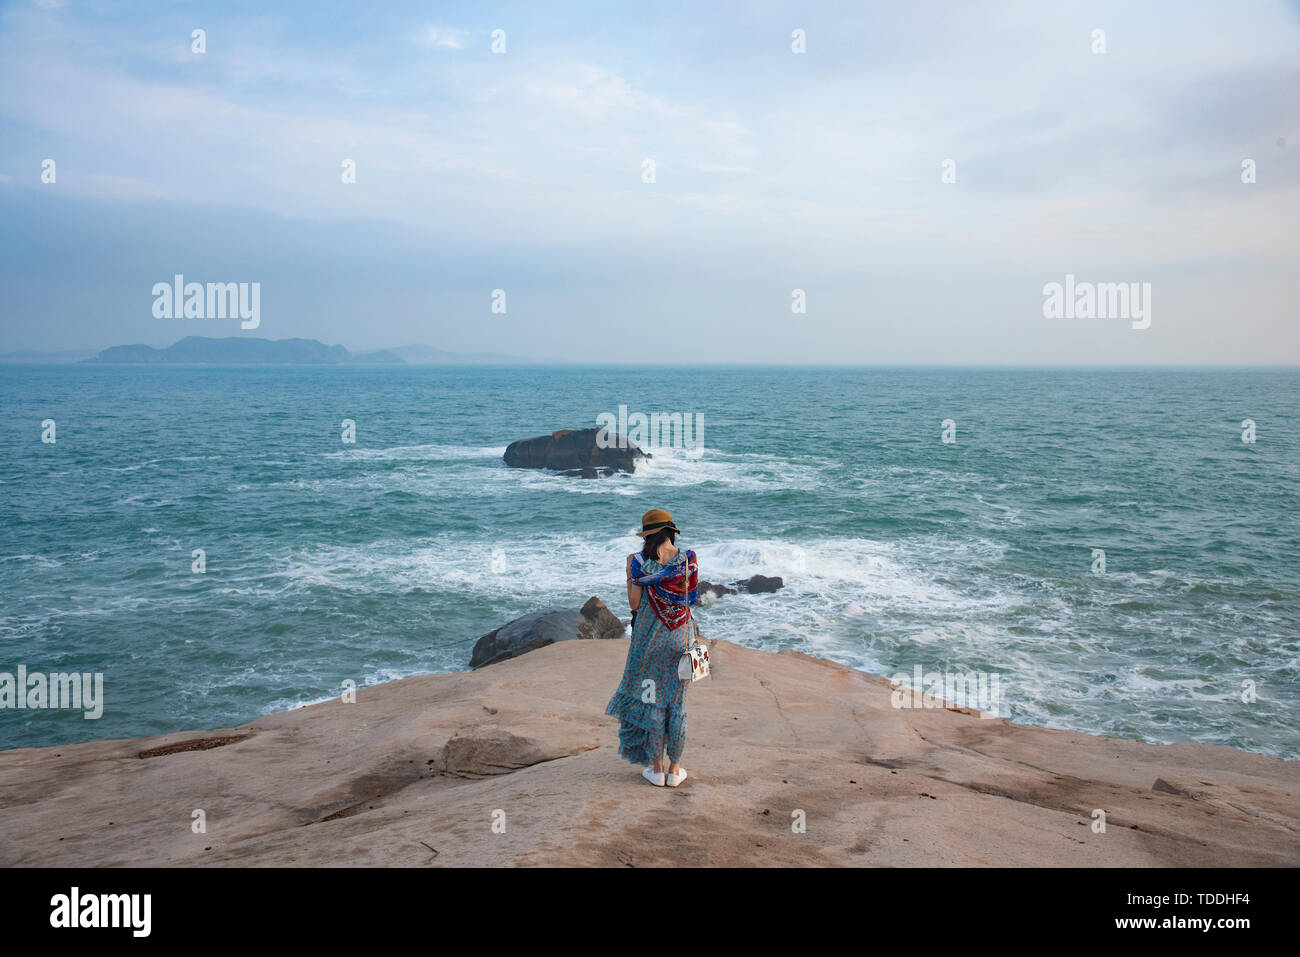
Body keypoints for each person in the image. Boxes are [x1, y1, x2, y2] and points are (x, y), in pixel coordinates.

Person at [604, 508, 698, 787]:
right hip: (680, 636)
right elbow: (690, 598)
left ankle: (656, 769)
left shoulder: (637, 561)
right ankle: (675, 770)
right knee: (677, 704)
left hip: (648, 638)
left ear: (647, 535)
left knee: (651, 701)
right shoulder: (687, 560)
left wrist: (630, 577)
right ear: (671, 531)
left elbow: (634, 604)